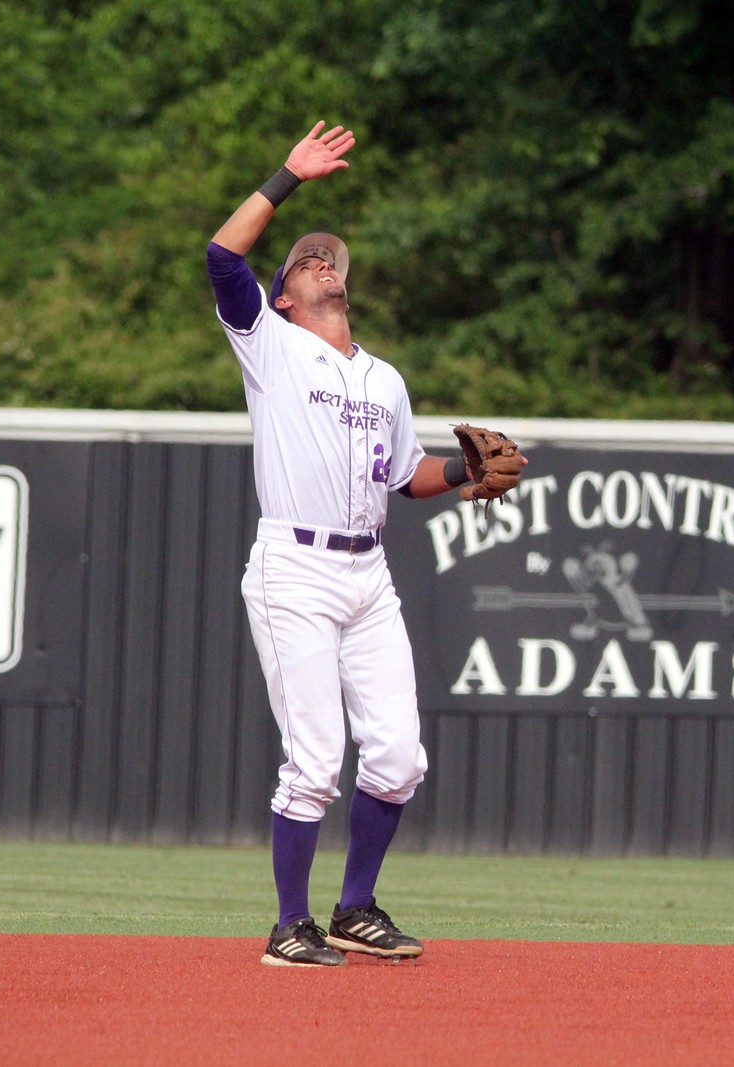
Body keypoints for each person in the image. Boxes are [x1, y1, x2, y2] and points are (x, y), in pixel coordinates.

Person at [206, 121, 524, 967]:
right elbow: (222, 255)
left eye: (331, 260)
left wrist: (462, 472)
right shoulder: (270, 344)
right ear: (281, 297)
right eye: (306, 261)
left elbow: (405, 475)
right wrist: (288, 177)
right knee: (315, 762)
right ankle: (289, 925)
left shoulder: (383, 378)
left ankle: (354, 909)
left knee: (398, 756)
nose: (322, 263)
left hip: (367, 574)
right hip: (295, 568)